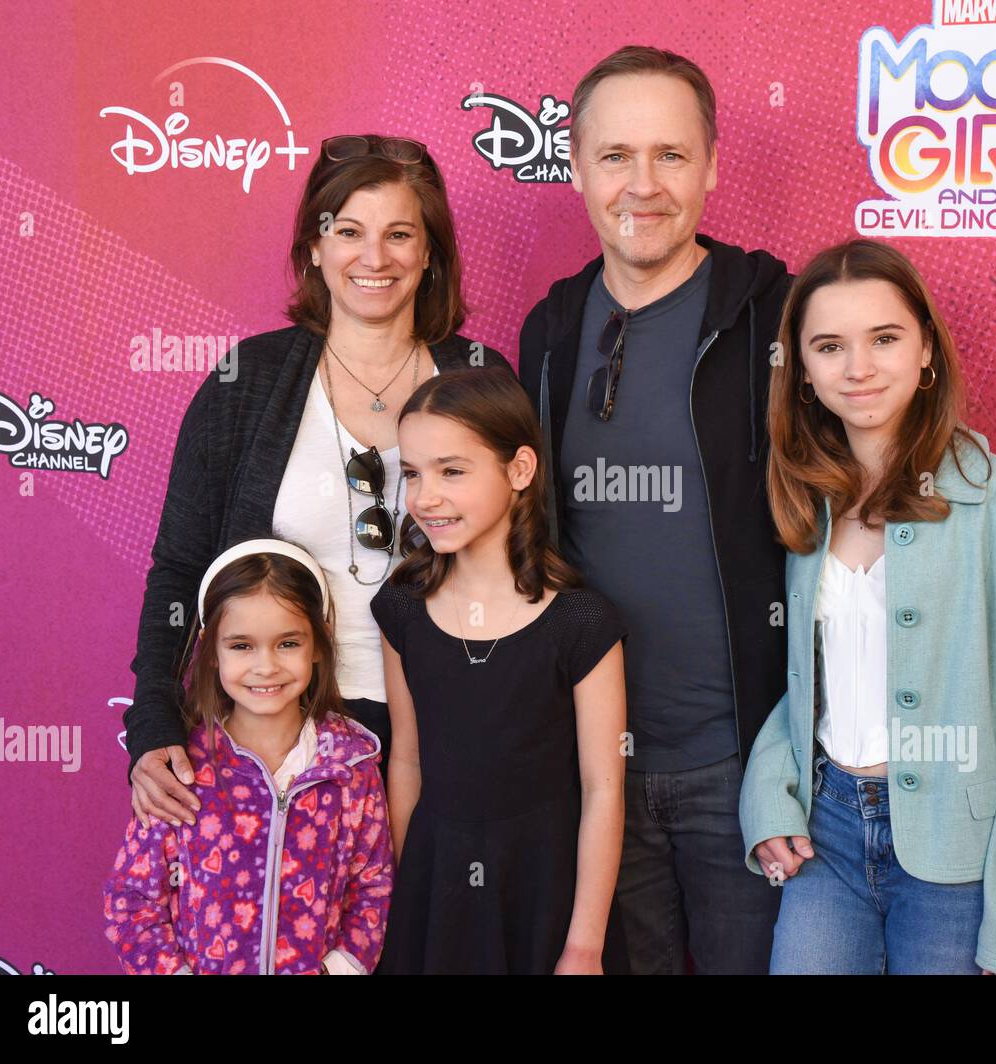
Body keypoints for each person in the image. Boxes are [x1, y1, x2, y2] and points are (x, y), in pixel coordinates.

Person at [517, 45, 996, 974]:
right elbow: (526, 529)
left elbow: (895, 460)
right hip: (601, 767)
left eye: (670, 155)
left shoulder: (776, 317)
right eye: (616, 155)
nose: (644, 183)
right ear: (576, 166)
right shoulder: (549, 328)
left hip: (751, 765)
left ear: (710, 166)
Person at [125, 134, 512, 835]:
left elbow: (524, 566)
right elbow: (181, 570)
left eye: (400, 234)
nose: (375, 258)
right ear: (313, 246)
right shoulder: (247, 385)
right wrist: (152, 725)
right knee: (295, 943)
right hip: (281, 735)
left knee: (432, 942)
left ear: (430, 254)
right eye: (349, 232)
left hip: (454, 729)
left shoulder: (483, 382)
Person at [739, 240, 996, 975]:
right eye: (830, 346)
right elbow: (806, 684)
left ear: (927, 349)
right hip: (826, 836)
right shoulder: (808, 500)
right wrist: (770, 796)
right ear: (802, 371)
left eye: (885, 338)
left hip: (955, 857)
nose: (858, 367)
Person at [370, 366, 630, 974]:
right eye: (411, 473)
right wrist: (410, 900)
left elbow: (604, 789)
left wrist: (584, 946)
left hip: (544, 896)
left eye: (452, 471)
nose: (424, 497)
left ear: (519, 470)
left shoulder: (582, 622)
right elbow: (406, 759)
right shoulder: (402, 611)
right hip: (437, 894)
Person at [103, 540, 393, 974]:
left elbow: (372, 886)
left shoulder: (351, 766)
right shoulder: (183, 769)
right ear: (210, 647)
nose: (265, 667)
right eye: (241, 646)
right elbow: (133, 901)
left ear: (318, 643)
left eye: (287, 643)